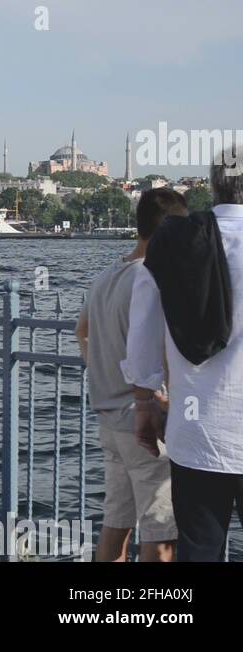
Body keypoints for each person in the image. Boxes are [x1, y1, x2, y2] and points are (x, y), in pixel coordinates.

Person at [123, 147, 243, 561]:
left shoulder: (175, 242)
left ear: (213, 188)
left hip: (197, 433)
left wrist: (144, 403)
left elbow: (142, 334)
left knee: (199, 549)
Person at [76, 188, 186, 562]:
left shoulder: (106, 276)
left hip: (108, 417)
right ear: (169, 231)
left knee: (116, 523)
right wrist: (164, 396)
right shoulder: (152, 278)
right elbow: (160, 347)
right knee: (161, 527)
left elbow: (83, 331)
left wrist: (102, 371)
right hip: (143, 421)